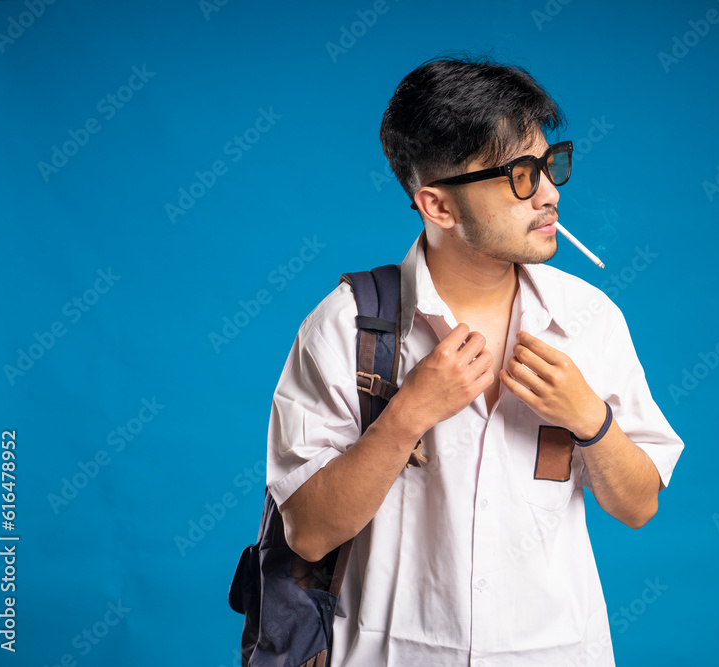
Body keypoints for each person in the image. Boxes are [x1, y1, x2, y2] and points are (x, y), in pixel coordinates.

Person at [266, 53, 685, 667]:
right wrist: (406, 414)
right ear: (438, 206)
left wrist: (590, 420)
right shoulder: (347, 323)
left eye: (550, 165)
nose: (547, 194)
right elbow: (308, 532)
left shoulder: (590, 320)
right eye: (519, 175)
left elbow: (638, 505)